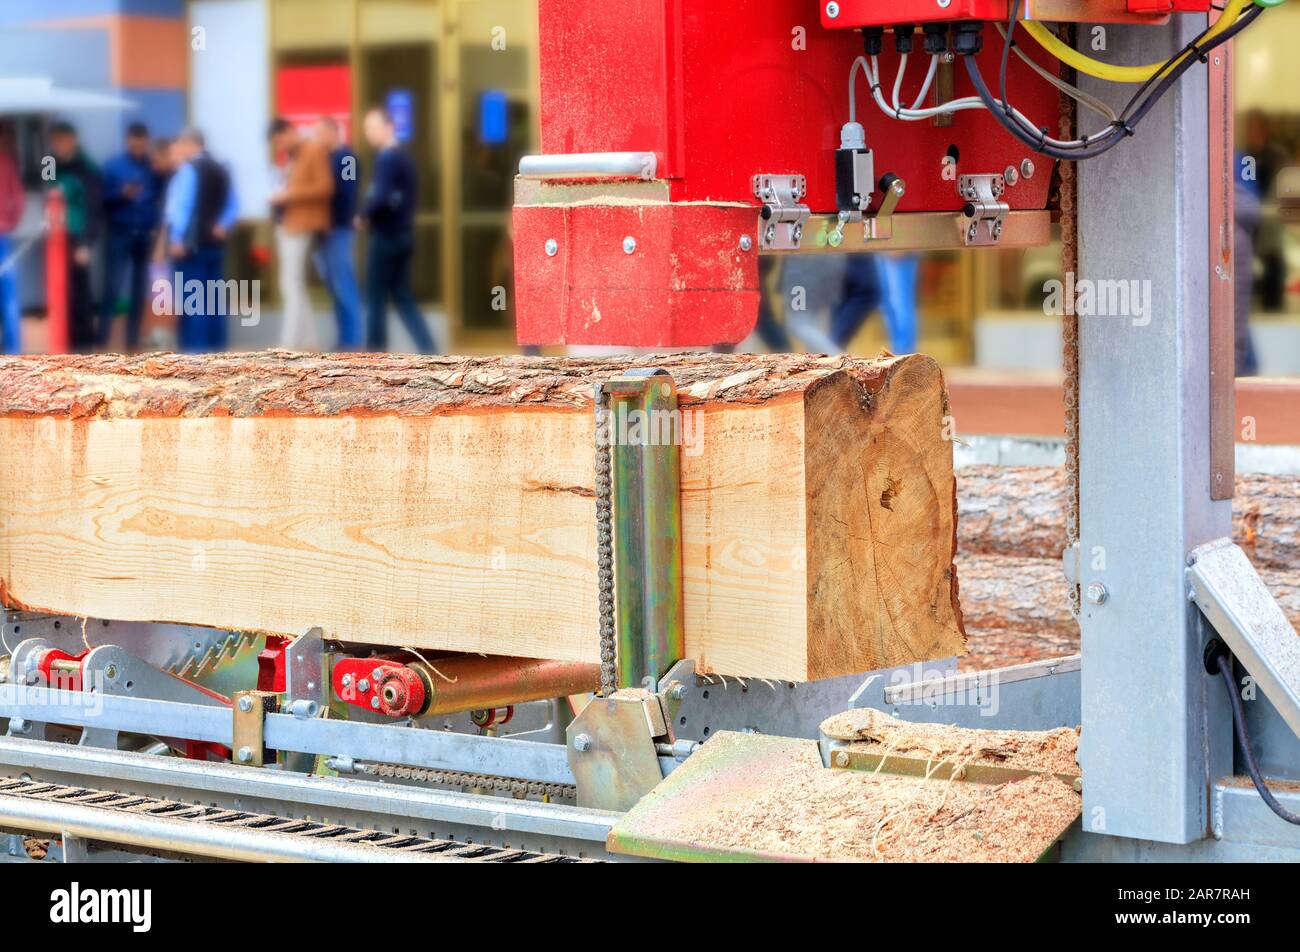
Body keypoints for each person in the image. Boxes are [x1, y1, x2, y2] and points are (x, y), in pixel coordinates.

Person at [359, 107, 436, 353]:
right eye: (366, 128)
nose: (368, 133)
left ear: (388, 127)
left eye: (372, 127)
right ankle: (428, 349)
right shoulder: (404, 158)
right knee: (402, 296)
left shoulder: (387, 158)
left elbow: (381, 197)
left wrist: (363, 216)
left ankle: (374, 355)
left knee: (376, 298)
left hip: (386, 236)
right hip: (403, 235)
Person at [163, 127, 238, 353]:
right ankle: (218, 352)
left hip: (191, 246)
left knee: (194, 301)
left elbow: (183, 207)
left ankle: (196, 354)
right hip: (215, 244)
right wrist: (222, 225)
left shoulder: (189, 169)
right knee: (215, 300)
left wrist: (176, 239)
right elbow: (234, 205)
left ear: (189, 144)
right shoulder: (222, 168)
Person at [268, 117, 333, 349]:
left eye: (280, 140)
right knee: (294, 284)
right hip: (290, 223)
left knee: (290, 284)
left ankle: (288, 343)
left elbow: (325, 186)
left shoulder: (312, 150)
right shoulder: (296, 154)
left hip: (301, 224)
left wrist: (290, 194)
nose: (280, 146)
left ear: (288, 132)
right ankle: (308, 341)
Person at [98, 122, 161, 351]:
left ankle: (132, 342)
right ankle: (102, 341)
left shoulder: (151, 167)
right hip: (119, 233)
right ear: (128, 141)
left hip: (144, 234)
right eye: (135, 144)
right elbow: (102, 200)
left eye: (142, 145)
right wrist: (121, 194)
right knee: (113, 287)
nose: (138, 149)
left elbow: (159, 196)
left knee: (139, 290)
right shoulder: (113, 166)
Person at [48, 122, 103, 353]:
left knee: (80, 293)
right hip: (55, 240)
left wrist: (86, 244)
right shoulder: (50, 163)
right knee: (60, 292)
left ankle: (84, 346)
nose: (58, 145)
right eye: (55, 140)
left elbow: (93, 208)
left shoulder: (87, 168)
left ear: (73, 139)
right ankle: (65, 344)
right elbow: (46, 188)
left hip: (77, 238)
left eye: (62, 140)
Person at [312, 116, 362, 350]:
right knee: (335, 287)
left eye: (320, 133)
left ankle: (352, 342)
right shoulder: (327, 159)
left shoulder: (346, 158)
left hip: (339, 231)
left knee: (344, 284)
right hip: (325, 232)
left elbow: (348, 195)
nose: (317, 138)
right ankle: (344, 340)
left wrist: (336, 221)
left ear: (333, 133)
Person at [0, 122, 23, 354]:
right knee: (8, 295)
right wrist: (11, 222)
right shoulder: (6, 163)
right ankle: (13, 349)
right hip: (2, 235)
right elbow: (19, 200)